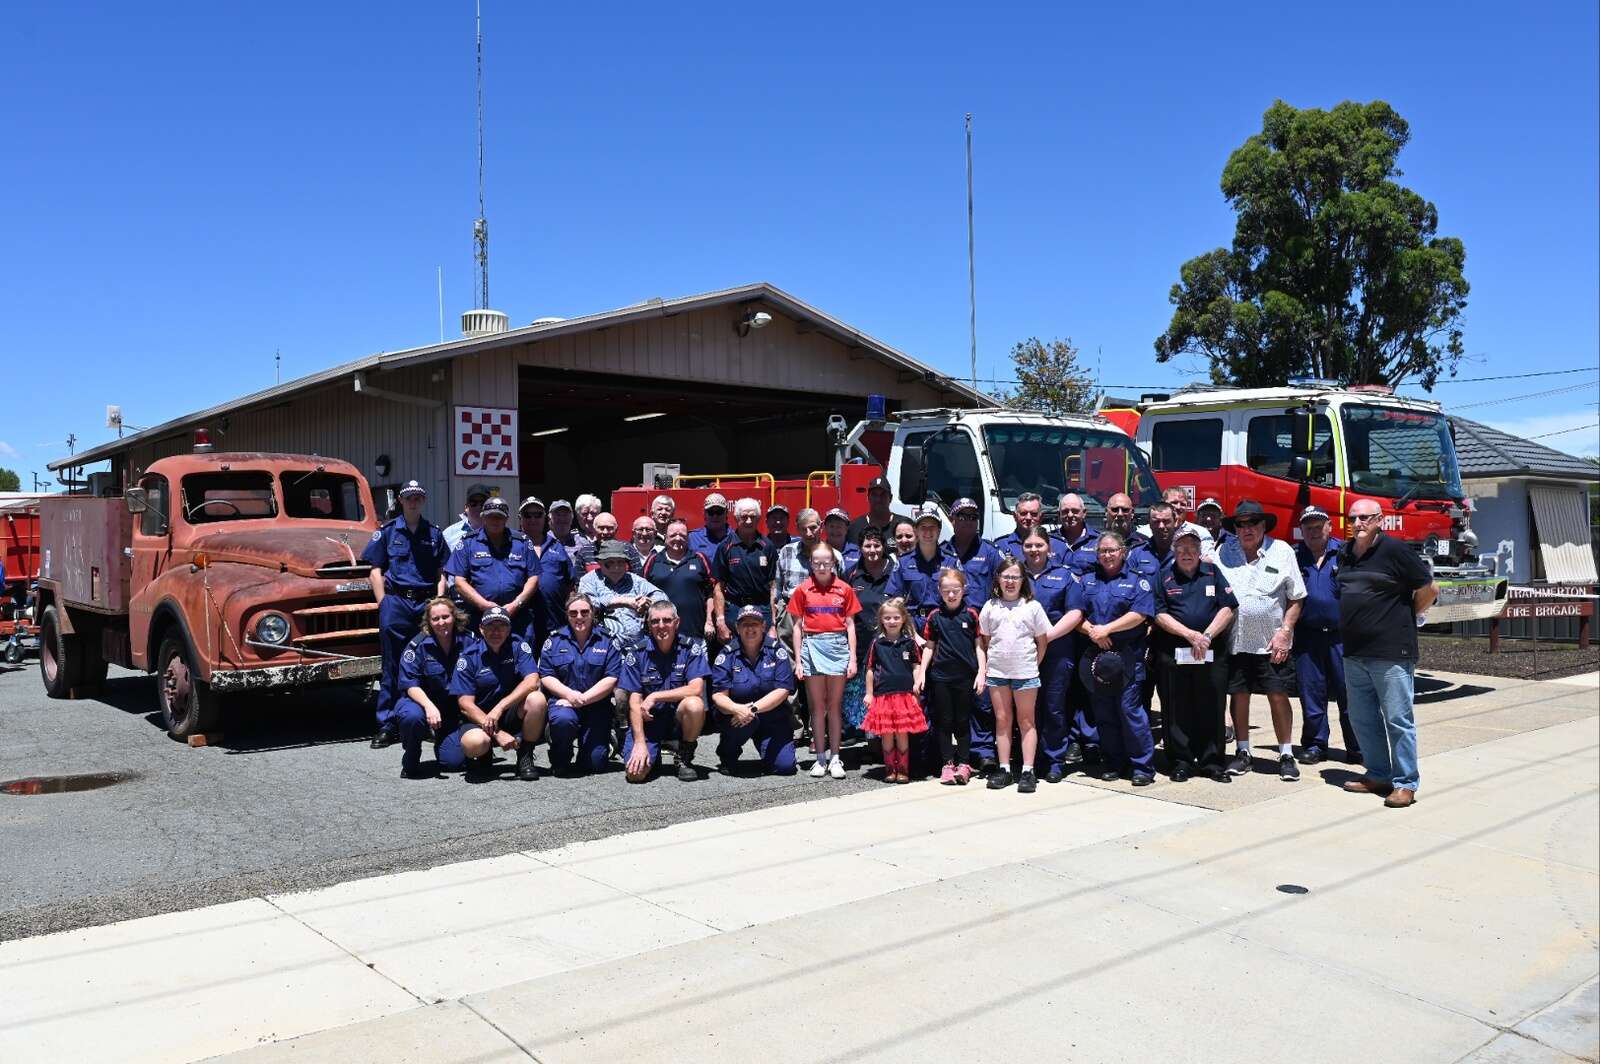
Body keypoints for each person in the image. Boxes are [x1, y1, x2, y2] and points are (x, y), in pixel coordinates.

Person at [1337, 500, 1437, 809]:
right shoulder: (1345, 553)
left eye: (1365, 518)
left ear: (1380, 520)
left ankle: (1405, 783)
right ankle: (1378, 775)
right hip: (1354, 652)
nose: (1358, 523)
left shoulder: (1396, 551)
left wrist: (1407, 616)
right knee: (1362, 718)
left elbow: (1430, 589)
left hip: (1391, 652)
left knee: (1397, 719)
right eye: (1353, 518)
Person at [1217, 499, 1307, 782]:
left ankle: (1286, 754)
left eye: (1253, 523)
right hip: (1236, 640)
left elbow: (1296, 597)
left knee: (1278, 695)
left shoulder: (1282, 551)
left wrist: (1285, 632)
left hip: (1272, 643)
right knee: (1239, 695)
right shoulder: (1223, 552)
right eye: (1241, 524)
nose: (1247, 529)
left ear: (1264, 525)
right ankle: (1243, 751)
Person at [361, 479, 449, 748]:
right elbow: (375, 571)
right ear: (401, 500)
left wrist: (439, 601)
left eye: (417, 497)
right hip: (397, 603)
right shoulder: (387, 532)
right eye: (408, 497)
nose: (413, 502)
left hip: (425, 604)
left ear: (423, 501)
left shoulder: (434, 534)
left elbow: (442, 573)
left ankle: (425, 720)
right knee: (392, 664)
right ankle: (387, 724)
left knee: (428, 662)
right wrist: (384, 604)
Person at [1151, 528, 1237, 782]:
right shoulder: (1164, 576)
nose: (1187, 553)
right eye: (1182, 548)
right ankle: (1181, 761)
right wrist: (1190, 635)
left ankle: (1212, 762)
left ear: (1199, 551)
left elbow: (1228, 607)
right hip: (1174, 653)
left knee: (1212, 705)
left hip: (1211, 652)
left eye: (1192, 548)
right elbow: (1159, 613)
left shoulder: (1213, 573)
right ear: (1174, 551)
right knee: (1176, 708)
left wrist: (1206, 636)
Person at [1078, 532, 1157, 786]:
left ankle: (1142, 766)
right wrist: (1093, 631)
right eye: (1103, 551)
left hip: (1128, 657)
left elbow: (1140, 614)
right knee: (1104, 712)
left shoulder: (1137, 581)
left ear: (1123, 552)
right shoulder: (1087, 580)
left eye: (1112, 550)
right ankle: (1113, 763)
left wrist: (1107, 630)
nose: (1107, 555)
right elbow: (1076, 613)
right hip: (1096, 657)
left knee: (1129, 710)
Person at [788, 541, 862, 780]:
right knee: (817, 707)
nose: (821, 567)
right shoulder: (802, 590)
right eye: (817, 562)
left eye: (826, 562)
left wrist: (852, 659)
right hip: (811, 648)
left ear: (833, 563)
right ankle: (820, 758)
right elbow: (797, 627)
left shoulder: (844, 589)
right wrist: (799, 661)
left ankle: (836, 757)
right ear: (811, 563)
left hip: (838, 647)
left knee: (834, 706)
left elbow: (850, 625)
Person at [1293, 504, 1360, 764]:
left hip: (1342, 637)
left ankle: (1357, 747)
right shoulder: (1294, 556)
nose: (1313, 531)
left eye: (1318, 526)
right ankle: (1315, 745)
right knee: (1311, 694)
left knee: (1350, 695)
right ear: (1301, 530)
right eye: (1308, 527)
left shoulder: (1346, 552)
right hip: (1307, 637)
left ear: (1329, 527)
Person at [447, 606, 546, 781]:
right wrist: (497, 733)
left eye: (501, 626)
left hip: (508, 713)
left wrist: (500, 707)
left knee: (536, 700)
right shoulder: (469, 657)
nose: (496, 631)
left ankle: (525, 756)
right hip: (479, 718)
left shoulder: (518, 646)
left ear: (509, 629)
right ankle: (484, 756)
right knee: (474, 743)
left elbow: (533, 681)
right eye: (491, 626)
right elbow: (465, 705)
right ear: (481, 629)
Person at [979, 555, 1052, 792]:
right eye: (1006, 577)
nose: (1010, 582)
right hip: (997, 672)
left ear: (1023, 580)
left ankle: (1028, 771)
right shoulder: (990, 607)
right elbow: (985, 640)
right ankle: (1004, 769)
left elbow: (1042, 642)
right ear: (998, 579)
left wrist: (1031, 665)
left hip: (1026, 673)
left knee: (1026, 720)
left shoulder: (1032, 607)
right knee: (1002, 719)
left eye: (1015, 577)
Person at [941, 497, 1003, 773]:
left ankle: (983, 750)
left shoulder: (990, 552)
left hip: (980, 633)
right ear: (952, 520)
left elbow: (1003, 587)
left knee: (981, 695)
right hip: (948, 632)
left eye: (972, 516)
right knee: (948, 695)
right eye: (962, 516)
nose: (968, 521)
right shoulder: (942, 552)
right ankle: (949, 752)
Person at [618, 601, 710, 783]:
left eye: (667, 620)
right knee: (635, 774)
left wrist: (655, 696)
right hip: (649, 722)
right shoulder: (637, 653)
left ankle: (684, 756)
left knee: (695, 704)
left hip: (678, 720)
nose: (661, 626)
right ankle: (652, 754)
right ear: (648, 624)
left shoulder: (690, 648)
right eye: (655, 621)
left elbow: (696, 688)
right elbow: (634, 702)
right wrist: (639, 743)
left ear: (677, 622)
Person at [1021, 527, 1086, 784]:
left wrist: (1046, 637)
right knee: (1026, 709)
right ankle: (1030, 760)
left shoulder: (1065, 575)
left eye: (1039, 545)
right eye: (1029, 545)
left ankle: (1054, 760)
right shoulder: (1014, 574)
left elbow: (1075, 613)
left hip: (1056, 651)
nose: (1034, 550)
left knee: (1054, 707)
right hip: (1021, 654)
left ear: (1049, 547)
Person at [538, 592, 621, 776]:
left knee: (595, 763)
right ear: (567, 615)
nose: (579, 617)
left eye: (584, 612)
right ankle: (561, 753)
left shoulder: (608, 640)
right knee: (563, 720)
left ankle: (603, 736)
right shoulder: (554, 640)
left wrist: (581, 699)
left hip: (597, 705)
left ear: (593, 613)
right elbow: (546, 675)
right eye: (573, 613)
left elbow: (611, 677)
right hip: (564, 703)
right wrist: (570, 695)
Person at [710, 605, 798, 776]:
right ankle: (728, 754)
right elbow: (719, 695)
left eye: (755, 623)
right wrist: (737, 709)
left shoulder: (776, 651)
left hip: (771, 717)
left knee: (785, 767)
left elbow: (783, 690)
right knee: (744, 720)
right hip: (737, 718)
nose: (750, 628)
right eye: (745, 624)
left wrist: (752, 709)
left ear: (763, 626)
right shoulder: (726, 655)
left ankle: (768, 752)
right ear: (737, 628)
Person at [920, 568, 984, 785]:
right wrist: (922, 673)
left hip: (966, 677)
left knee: (963, 721)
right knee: (945, 721)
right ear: (939, 590)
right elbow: (929, 646)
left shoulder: (972, 615)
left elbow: (979, 646)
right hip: (941, 677)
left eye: (955, 589)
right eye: (946, 590)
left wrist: (981, 672)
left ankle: (964, 764)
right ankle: (947, 764)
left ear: (963, 589)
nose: (951, 594)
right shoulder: (934, 616)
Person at [394, 596, 469, 779]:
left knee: (453, 763)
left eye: (445, 617)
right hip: (420, 703)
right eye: (435, 619)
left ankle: (442, 739)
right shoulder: (417, 646)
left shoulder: (469, 641)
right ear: (428, 622)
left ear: (454, 617)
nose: (441, 622)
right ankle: (412, 752)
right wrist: (429, 706)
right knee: (412, 717)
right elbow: (409, 683)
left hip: (451, 711)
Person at [444, 497, 538, 640]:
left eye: (499, 517)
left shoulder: (522, 542)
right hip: (479, 619)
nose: (495, 520)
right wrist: (484, 605)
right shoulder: (468, 543)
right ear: (483, 517)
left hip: (517, 619)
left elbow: (534, 578)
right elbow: (459, 581)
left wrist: (516, 604)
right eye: (491, 516)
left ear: (506, 518)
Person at [862, 597, 927, 784]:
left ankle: (903, 769)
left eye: (896, 617)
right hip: (883, 695)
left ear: (903, 619)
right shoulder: (877, 644)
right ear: (881, 620)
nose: (892, 621)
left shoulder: (909, 643)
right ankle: (890, 768)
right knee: (887, 733)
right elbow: (870, 670)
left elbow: (916, 666)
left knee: (902, 732)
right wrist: (869, 693)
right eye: (888, 618)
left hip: (905, 695)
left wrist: (917, 685)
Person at [844, 528, 897, 733]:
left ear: (883, 546)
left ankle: (888, 738)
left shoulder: (895, 571)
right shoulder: (851, 574)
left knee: (888, 694)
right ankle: (869, 737)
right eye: (867, 545)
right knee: (864, 699)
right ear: (860, 548)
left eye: (876, 545)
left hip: (890, 646)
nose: (872, 550)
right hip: (861, 645)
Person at [578, 540, 668, 653]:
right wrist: (622, 601)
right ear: (600, 563)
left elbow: (662, 597)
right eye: (609, 563)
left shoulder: (634, 580)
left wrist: (648, 603)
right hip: (602, 648)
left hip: (637, 648)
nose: (616, 567)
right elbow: (585, 604)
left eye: (620, 562)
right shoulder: (590, 580)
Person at [712, 498, 778, 640]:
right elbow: (718, 588)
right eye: (744, 517)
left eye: (753, 517)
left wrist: (774, 624)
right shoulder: (725, 547)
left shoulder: (768, 546)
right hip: (735, 609)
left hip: (763, 608)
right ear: (736, 518)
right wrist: (721, 621)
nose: (748, 521)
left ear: (758, 519)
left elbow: (773, 586)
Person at [643, 518, 717, 642]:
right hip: (660, 634)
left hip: (695, 634)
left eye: (682, 535)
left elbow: (713, 592)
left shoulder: (700, 559)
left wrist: (709, 621)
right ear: (665, 537)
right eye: (673, 535)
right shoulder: (653, 560)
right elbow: (642, 593)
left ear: (687, 538)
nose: (678, 538)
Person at [774, 508, 840, 645]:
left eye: (813, 528)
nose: (809, 533)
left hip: (822, 616)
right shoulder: (787, 552)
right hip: (789, 616)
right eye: (804, 529)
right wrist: (778, 616)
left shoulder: (835, 556)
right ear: (797, 529)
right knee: (788, 656)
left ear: (821, 526)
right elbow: (777, 589)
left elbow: (842, 592)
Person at [518, 497, 575, 652]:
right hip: (521, 625)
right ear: (520, 518)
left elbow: (570, 586)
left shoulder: (556, 546)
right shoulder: (511, 545)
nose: (533, 519)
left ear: (545, 518)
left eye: (537, 514)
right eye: (527, 515)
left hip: (554, 624)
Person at [888, 503, 948, 620]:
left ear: (939, 531)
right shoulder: (903, 563)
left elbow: (961, 595)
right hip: (912, 622)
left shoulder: (951, 561)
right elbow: (894, 598)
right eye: (923, 527)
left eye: (932, 527)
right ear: (916, 531)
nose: (928, 532)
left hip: (943, 621)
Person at [993, 492, 1068, 566]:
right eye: (1023, 513)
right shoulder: (1001, 546)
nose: (1028, 518)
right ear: (1015, 516)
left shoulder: (1058, 545)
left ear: (1041, 517)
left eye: (1034, 514)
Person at [1139, 487, 1215, 557]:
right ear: (1163, 503)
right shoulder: (1143, 532)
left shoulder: (1201, 533)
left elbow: (1211, 561)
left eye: (1183, 504)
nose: (1178, 507)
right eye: (1174, 502)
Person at [846, 476, 906, 546]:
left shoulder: (904, 525)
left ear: (890, 498)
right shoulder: (854, 528)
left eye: (883, 495)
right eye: (874, 495)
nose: (878, 499)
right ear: (868, 497)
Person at [1056, 492, 1101, 575]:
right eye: (1065, 511)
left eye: (1075, 511)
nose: (1070, 515)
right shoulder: (1049, 541)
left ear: (1084, 513)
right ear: (1059, 514)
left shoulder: (1099, 541)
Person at [443, 483, 491, 551]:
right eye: (473, 503)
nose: (478, 507)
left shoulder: (499, 532)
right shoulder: (449, 534)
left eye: (483, 503)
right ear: (466, 507)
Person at [823, 508, 861, 574]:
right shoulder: (817, 551)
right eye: (831, 526)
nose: (835, 531)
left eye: (839, 526)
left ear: (846, 529)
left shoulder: (857, 552)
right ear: (825, 528)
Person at [1195, 498, 1233, 562]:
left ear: (1220, 519)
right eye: (1204, 515)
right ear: (1197, 519)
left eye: (1213, 515)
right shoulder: (1189, 539)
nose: (1208, 519)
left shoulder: (1231, 541)